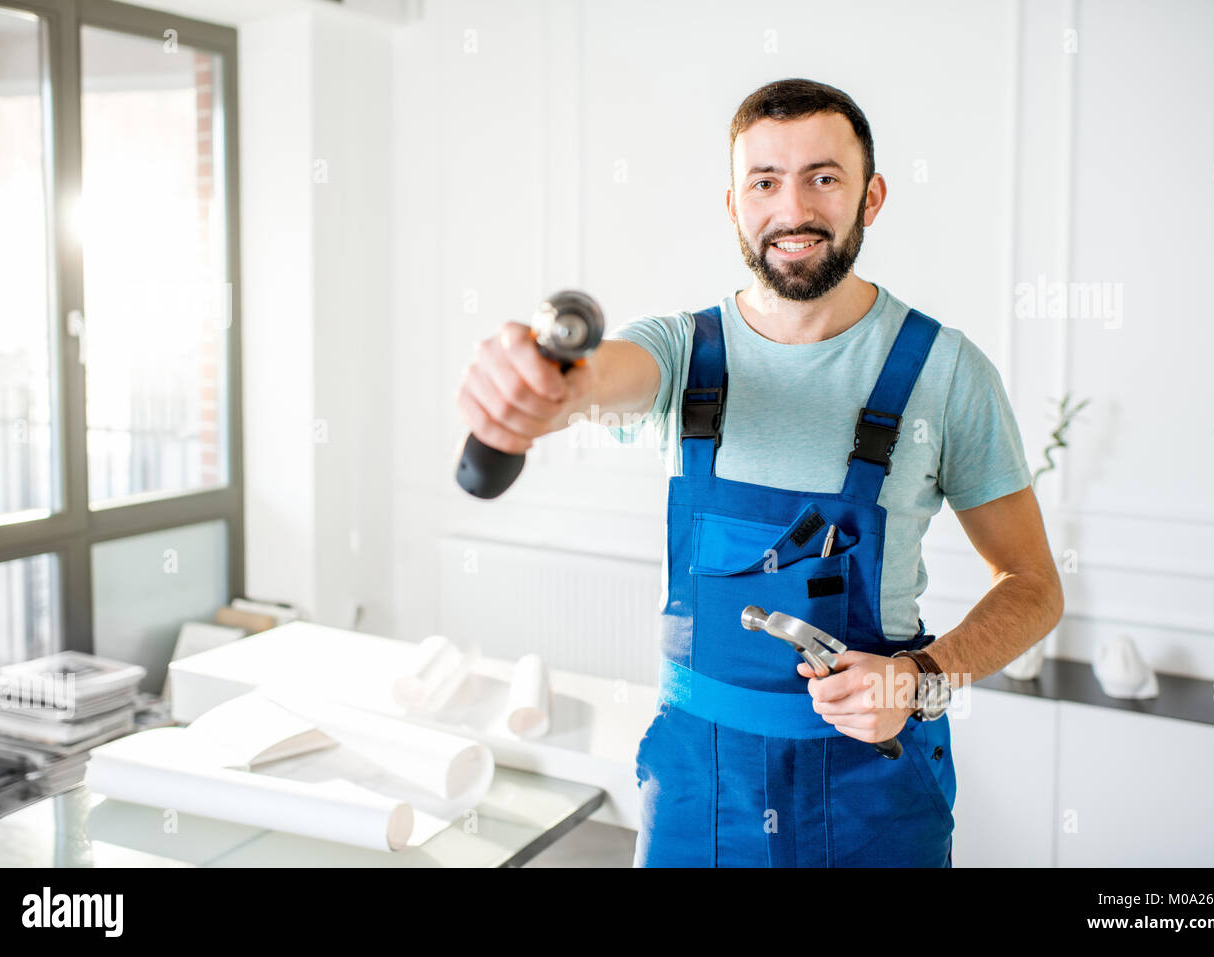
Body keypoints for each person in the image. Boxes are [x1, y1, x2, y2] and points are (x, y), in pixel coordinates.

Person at [455, 77, 1064, 867]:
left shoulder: (945, 373)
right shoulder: (682, 352)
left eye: (823, 177)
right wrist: (545, 389)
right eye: (764, 181)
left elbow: (1034, 583)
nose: (792, 209)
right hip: (697, 794)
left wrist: (920, 680)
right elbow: (602, 378)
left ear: (870, 197)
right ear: (734, 205)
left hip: (874, 794)